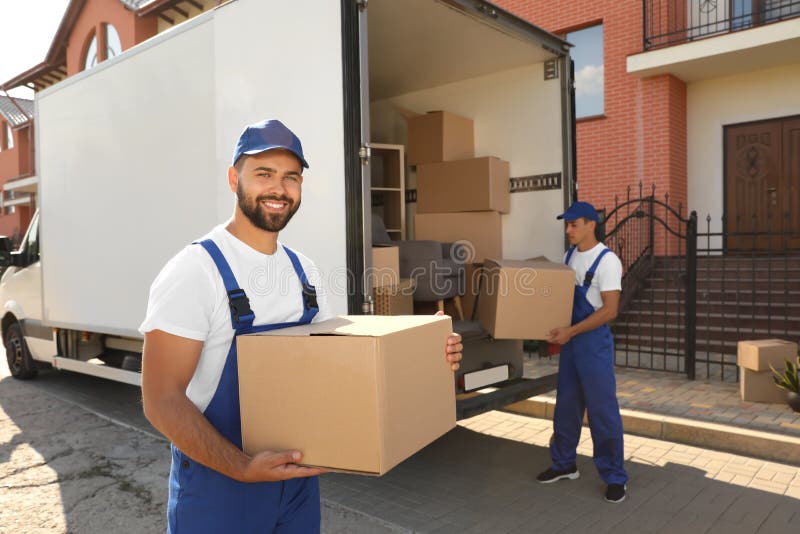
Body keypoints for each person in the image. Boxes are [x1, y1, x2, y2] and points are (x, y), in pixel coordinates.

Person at [140, 119, 463, 533]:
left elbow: (339, 364)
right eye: (264, 174)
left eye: (291, 177)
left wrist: (426, 352)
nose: (279, 189)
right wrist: (242, 468)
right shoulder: (195, 271)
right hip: (220, 490)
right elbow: (160, 399)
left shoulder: (303, 271)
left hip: (297, 488)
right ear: (233, 178)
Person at [538, 201, 629, 503]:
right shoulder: (569, 257)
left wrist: (572, 332)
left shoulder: (608, 261)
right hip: (571, 344)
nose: (568, 230)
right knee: (566, 407)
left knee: (602, 412)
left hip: (593, 344)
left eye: (574, 224)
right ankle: (564, 464)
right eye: (567, 225)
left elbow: (610, 310)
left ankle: (615, 477)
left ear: (591, 224)